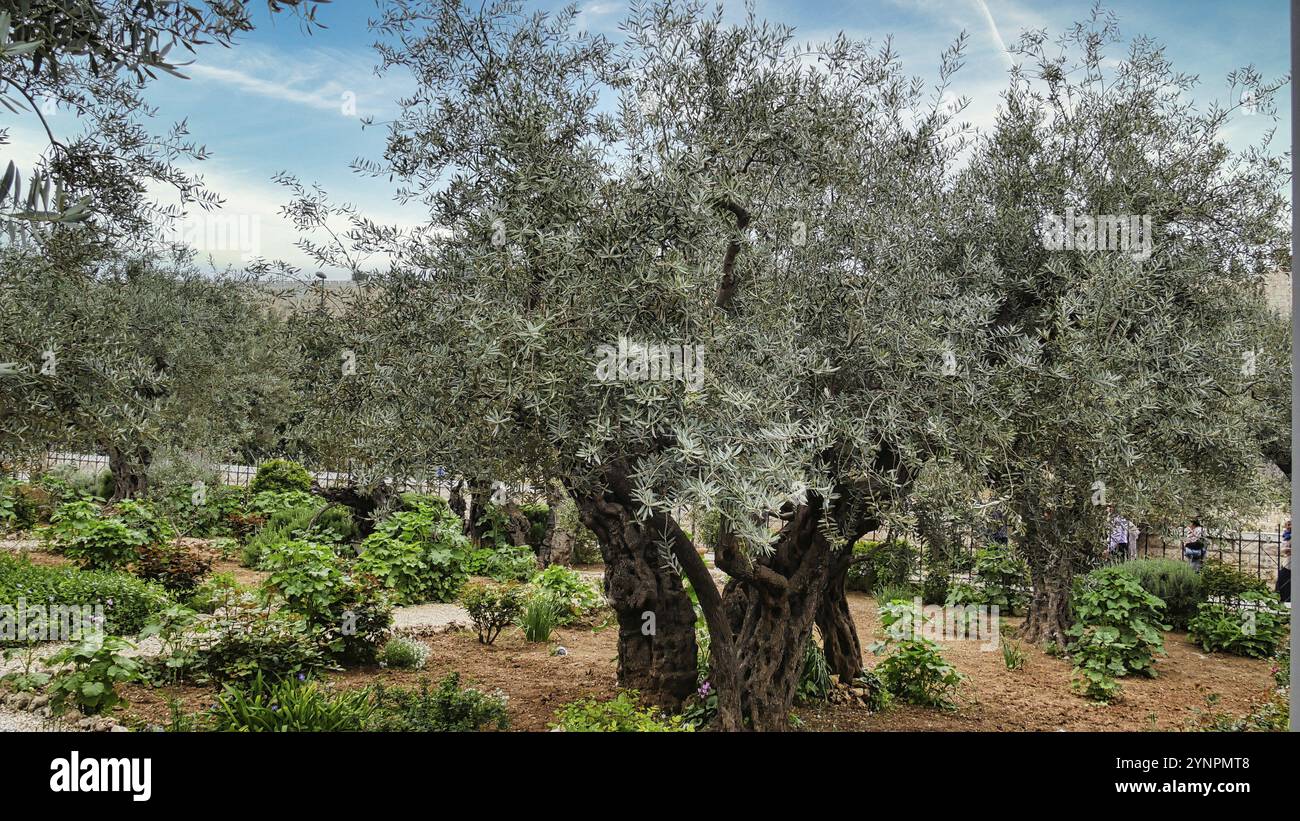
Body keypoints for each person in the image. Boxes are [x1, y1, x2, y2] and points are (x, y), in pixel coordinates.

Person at [1276, 518, 1291, 602]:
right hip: (1287, 565)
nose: (1289, 526)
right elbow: (1283, 550)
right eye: (1287, 524)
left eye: (1290, 524)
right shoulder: (1286, 536)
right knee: (1283, 586)